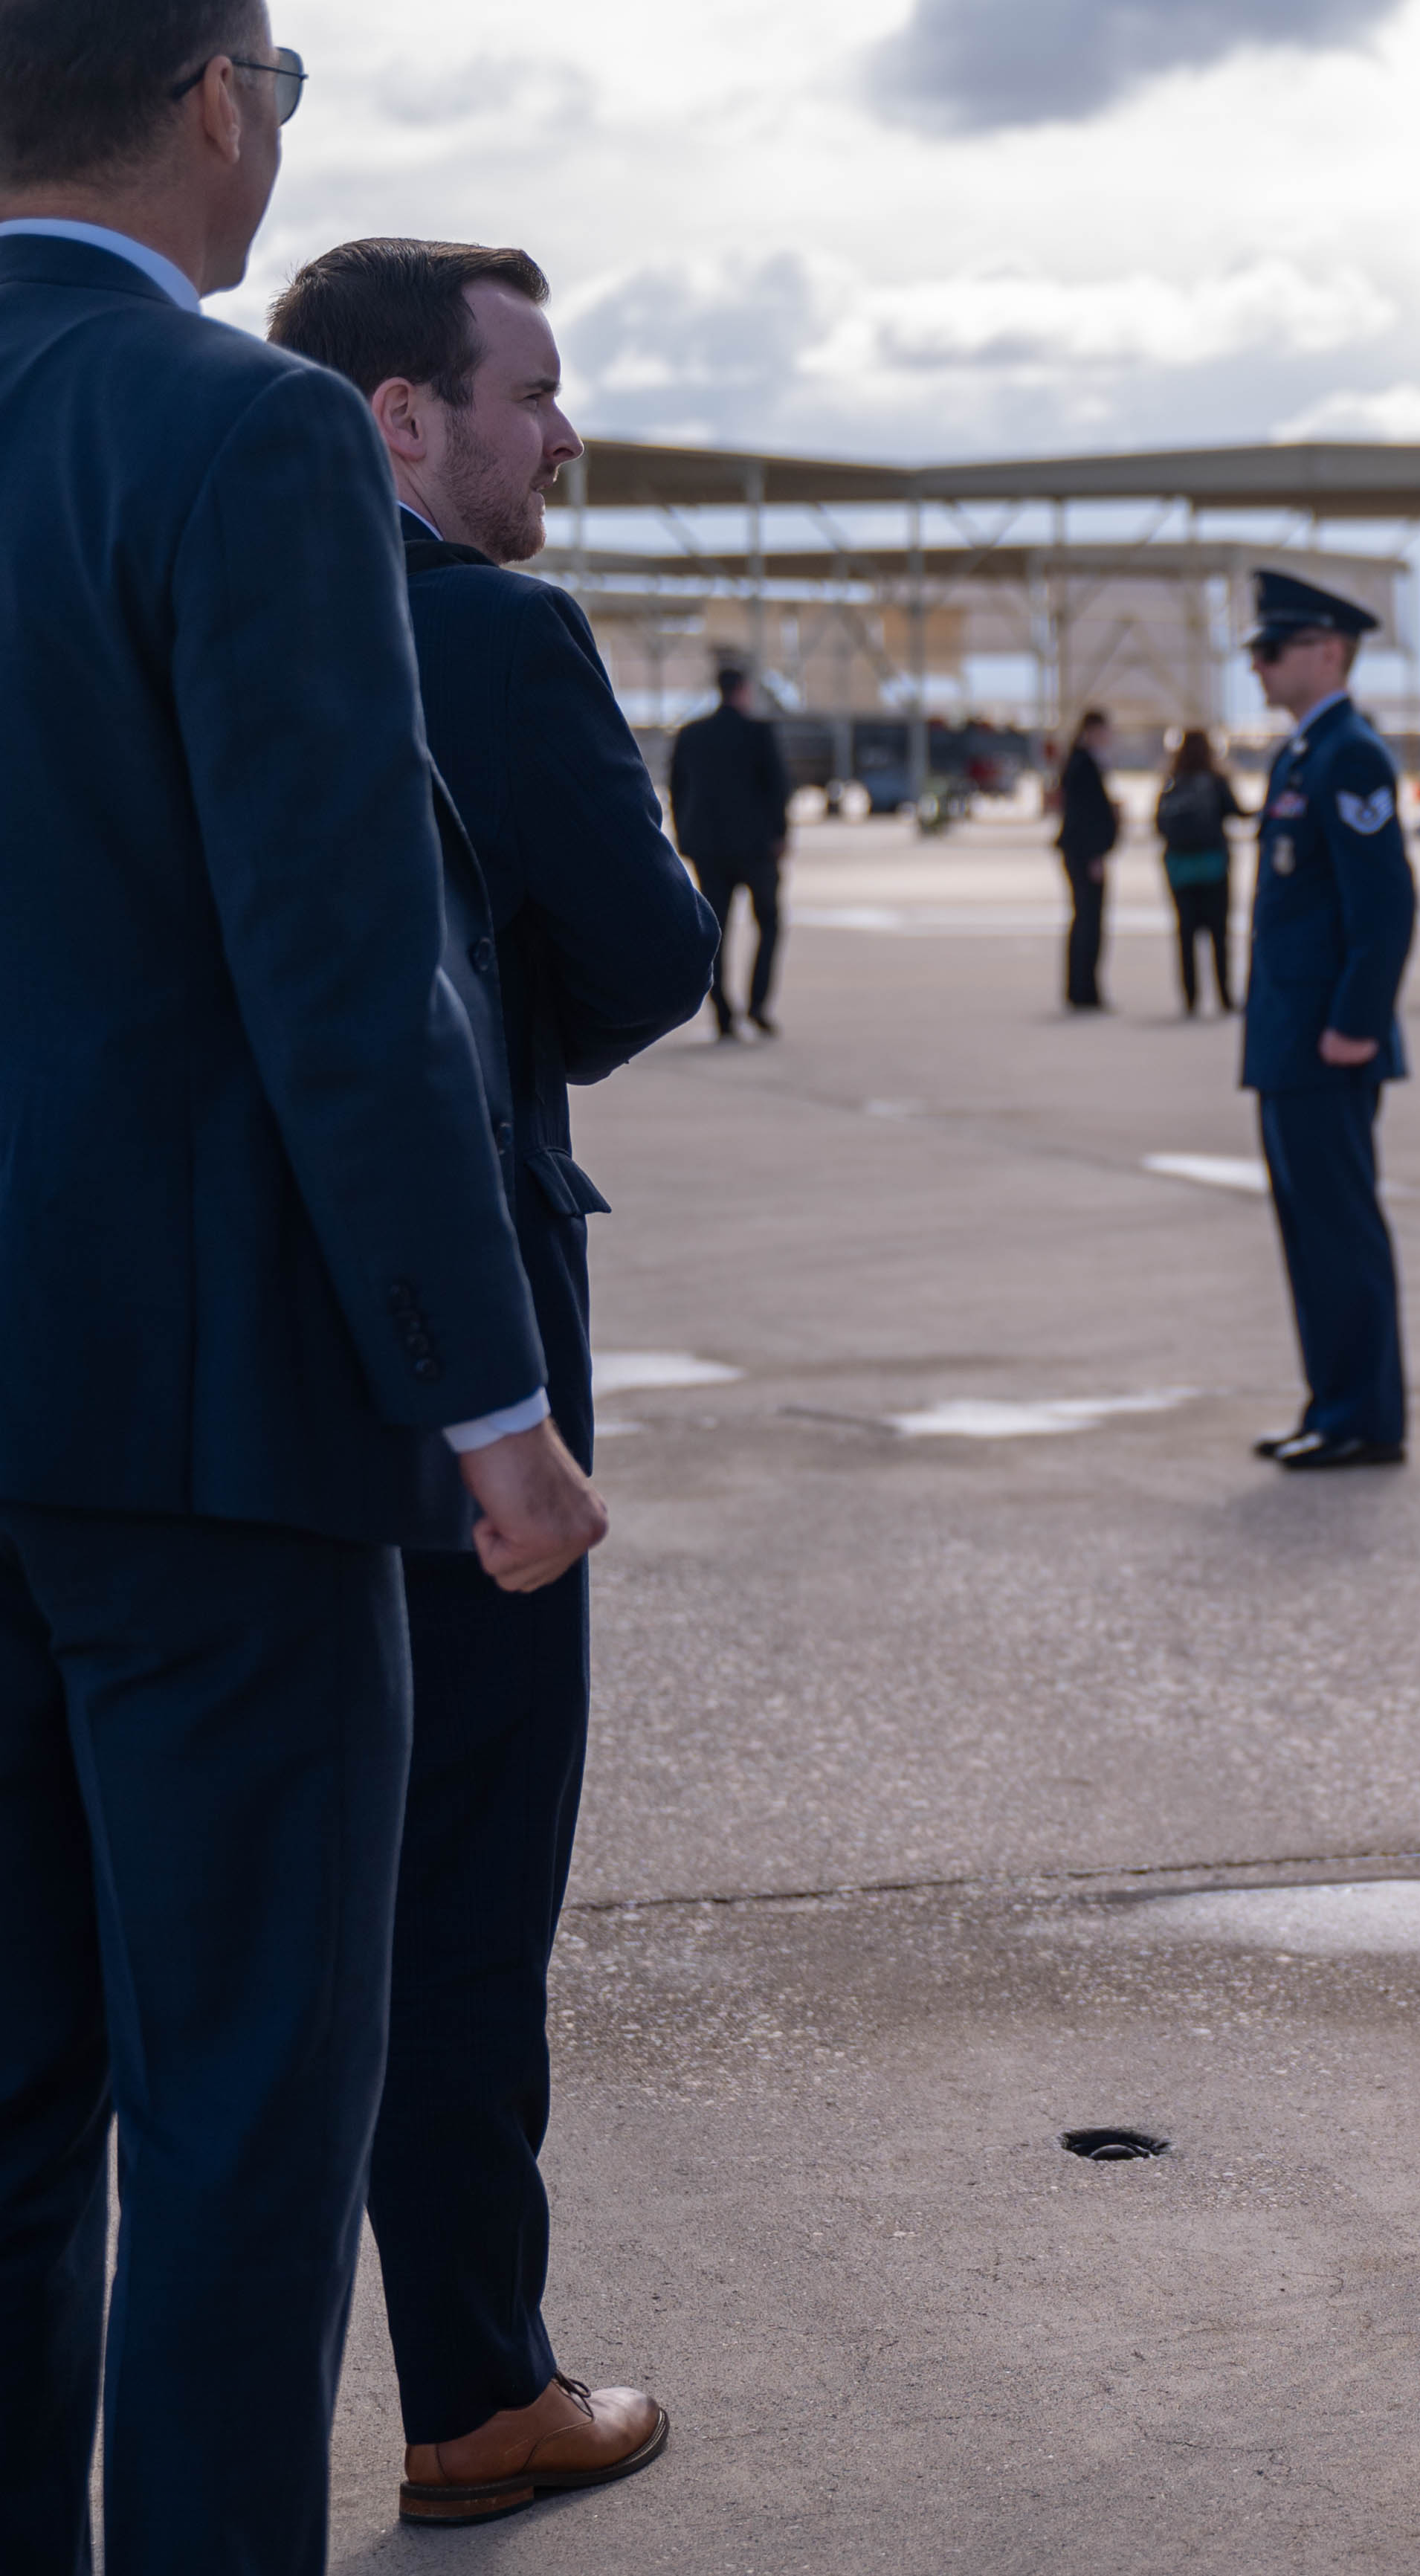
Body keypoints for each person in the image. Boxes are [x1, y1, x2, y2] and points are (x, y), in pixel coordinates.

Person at [0, 10, 609, 2563]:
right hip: (213, 1424)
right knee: (244, 2108)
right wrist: (489, 1404)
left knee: (11, 2107)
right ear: (214, 100)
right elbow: (348, 982)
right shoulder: (237, 426)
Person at [268, 231, 719, 2531]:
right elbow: (650, 951)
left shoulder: (179, 595)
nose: (565, 433)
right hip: (469, 1345)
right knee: (459, 1881)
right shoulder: (495, 636)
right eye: (530, 392)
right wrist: (500, 1016)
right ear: (401, 415)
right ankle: (474, 2391)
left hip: (204, 1352)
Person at [1239, 570, 1419, 1471]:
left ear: (1330, 652)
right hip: (1290, 1041)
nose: (1259, 666)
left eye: (1274, 649)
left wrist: (1356, 1021)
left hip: (1327, 1043)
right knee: (1309, 1235)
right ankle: (1332, 1404)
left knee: (1338, 1232)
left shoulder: (1350, 755)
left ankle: (1363, 1418)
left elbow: (1383, 907)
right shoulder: (1304, 754)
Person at [668, 665, 793, 1038]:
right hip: (757, 849)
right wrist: (781, 834)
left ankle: (722, 1012)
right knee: (768, 923)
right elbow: (778, 788)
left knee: (716, 932)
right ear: (742, 691)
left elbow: (677, 790)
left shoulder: (691, 735)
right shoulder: (758, 733)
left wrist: (684, 838)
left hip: (708, 849)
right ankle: (758, 1006)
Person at [1152, 724, 1242, 1014]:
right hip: (1213, 864)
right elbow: (1236, 811)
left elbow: (1158, 824)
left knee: (1186, 934)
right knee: (1219, 934)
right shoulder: (1215, 780)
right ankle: (1224, 995)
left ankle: (1190, 998)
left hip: (1180, 867)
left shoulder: (1172, 781)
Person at [1053, 708, 1121, 1013]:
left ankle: (1082, 989)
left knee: (1086, 920)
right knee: (1089, 923)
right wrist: (1095, 854)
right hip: (1084, 854)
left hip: (1082, 852)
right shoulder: (1084, 764)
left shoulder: (1082, 762)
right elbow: (1085, 816)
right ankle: (1084, 990)